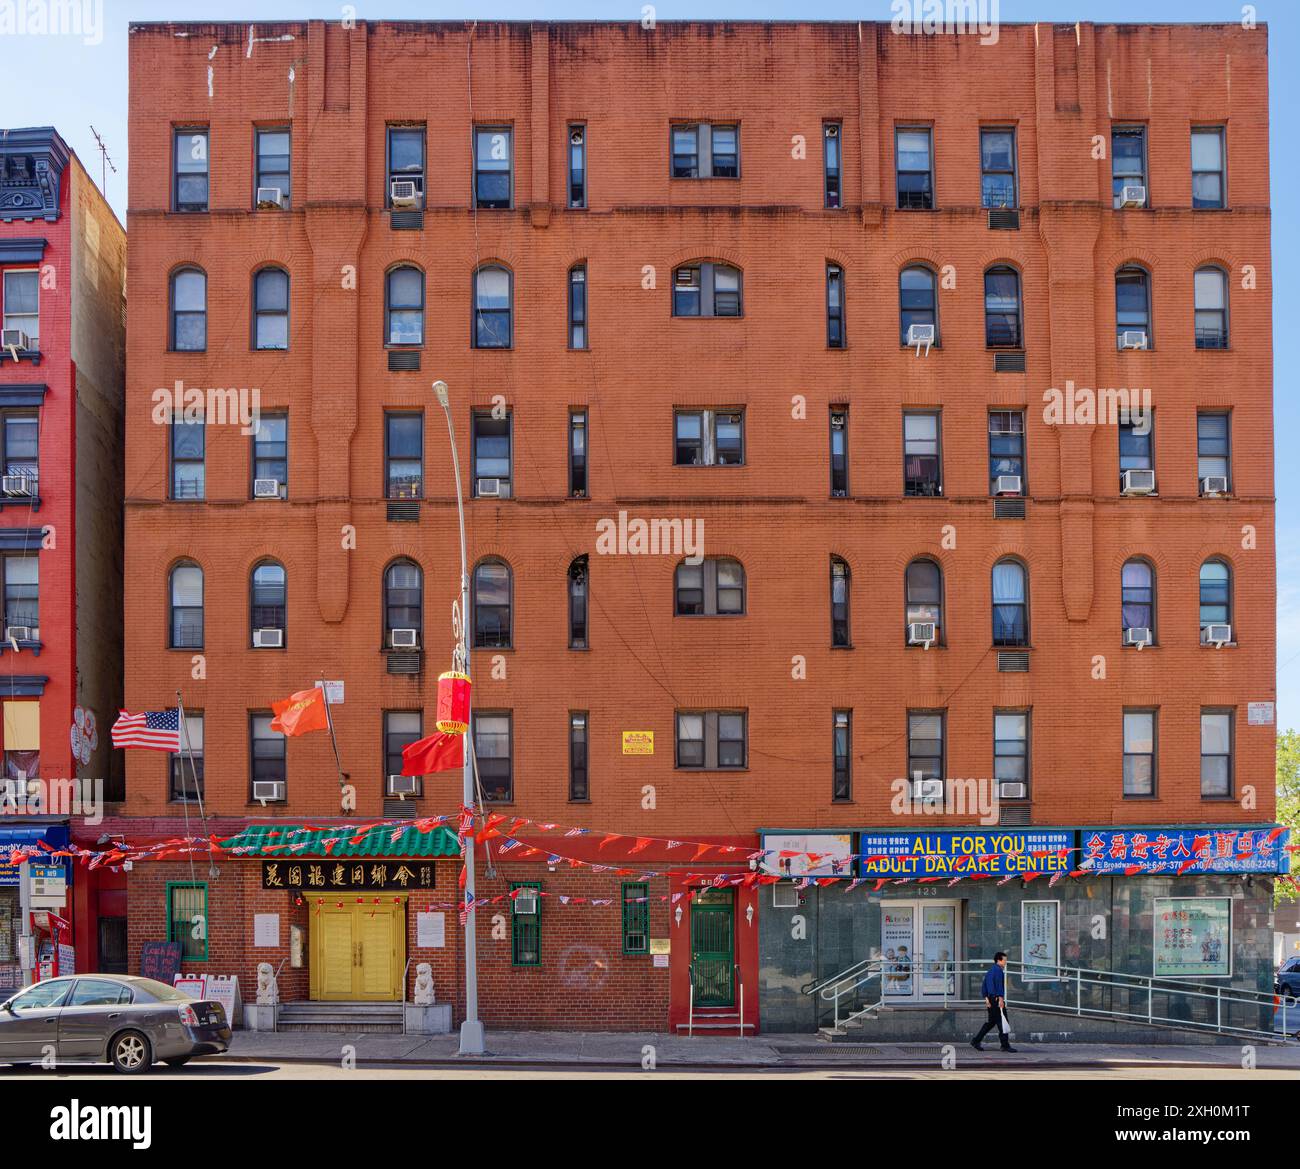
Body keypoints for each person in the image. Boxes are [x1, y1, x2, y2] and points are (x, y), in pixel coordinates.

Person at [970, 951, 1017, 1052]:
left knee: (991, 1022)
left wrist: (987, 999)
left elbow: (984, 986)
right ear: (999, 960)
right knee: (1002, 1022)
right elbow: (999, 987)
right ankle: (1005, 1045)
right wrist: (1000, 999)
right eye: (1004, 960)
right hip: (996, 999)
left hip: (990, 1000)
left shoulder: (990, 971)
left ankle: (976, 1040)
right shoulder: (999, 971)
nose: (1005, 962)